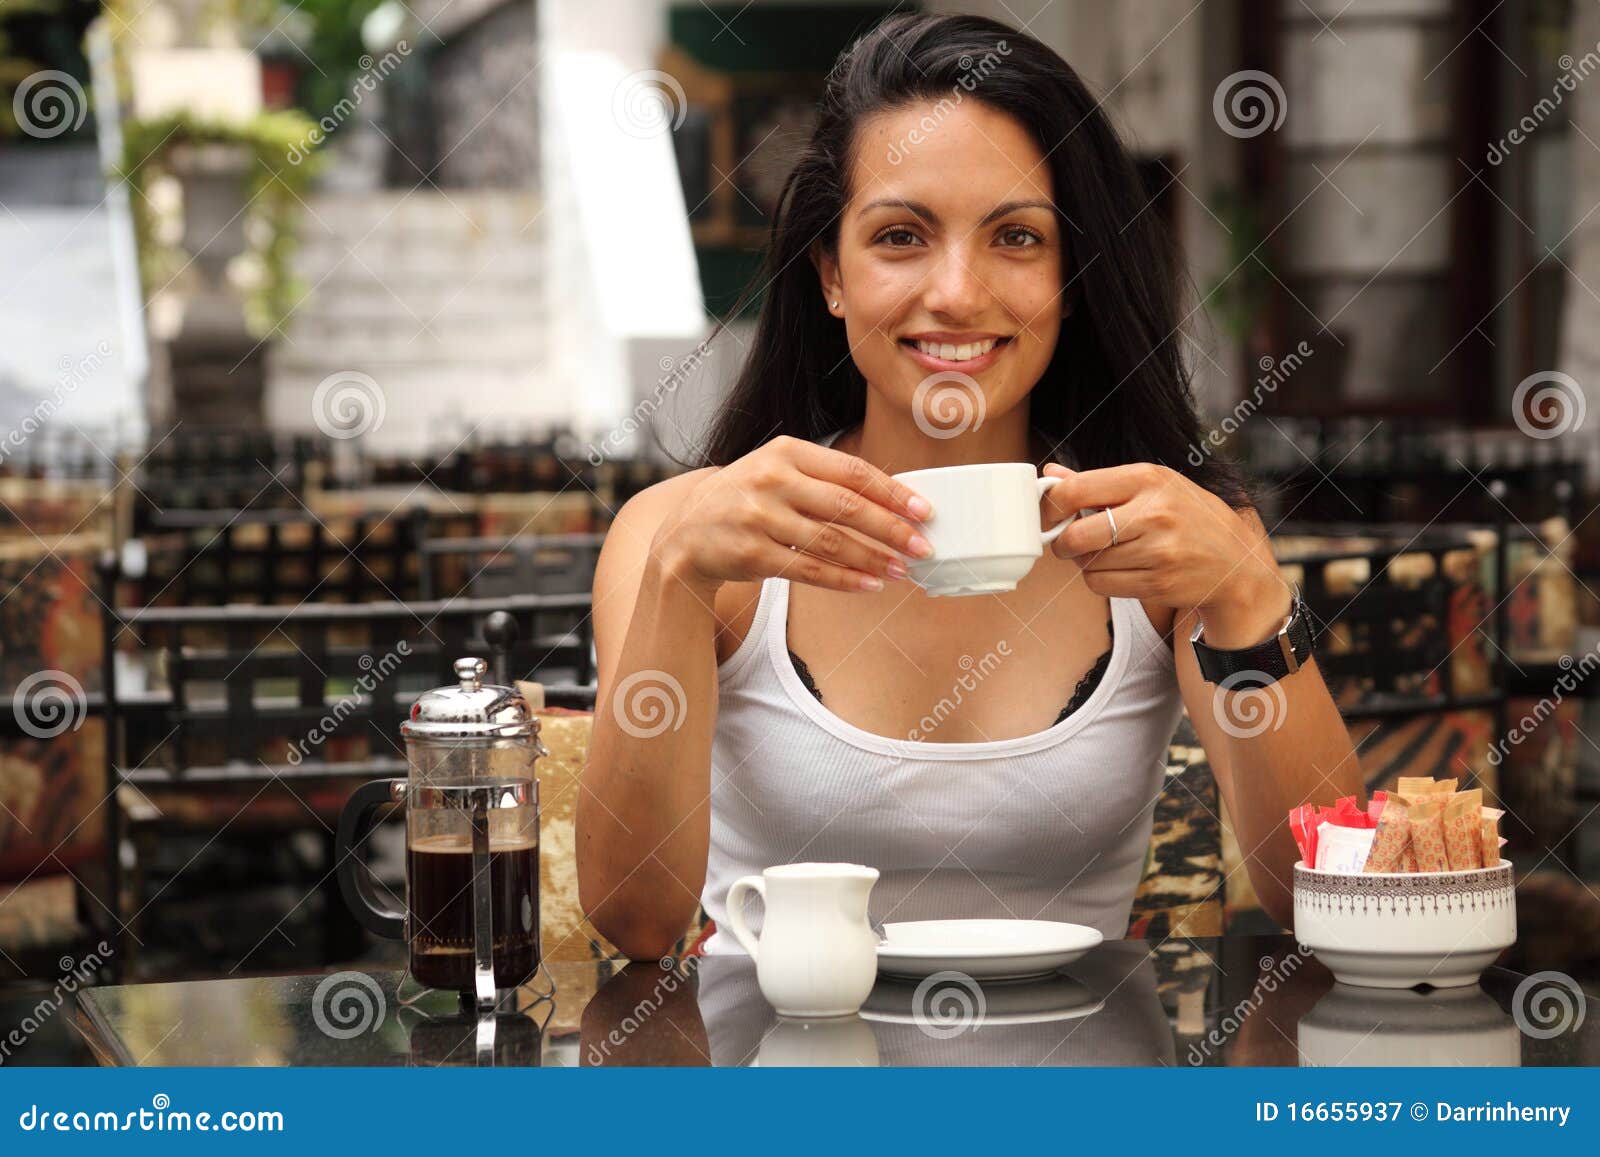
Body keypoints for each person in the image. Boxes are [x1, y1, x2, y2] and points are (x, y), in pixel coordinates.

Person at [577, 12, 1359, 959]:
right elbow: (638, 920)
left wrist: (1247, 591)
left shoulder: (1162, 538)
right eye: (901, 236)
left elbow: (1326, 892)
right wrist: (675, 579)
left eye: (1016, 238)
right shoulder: (680, 534)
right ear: (831, 273)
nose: (955, 291)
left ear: (1073, 278)